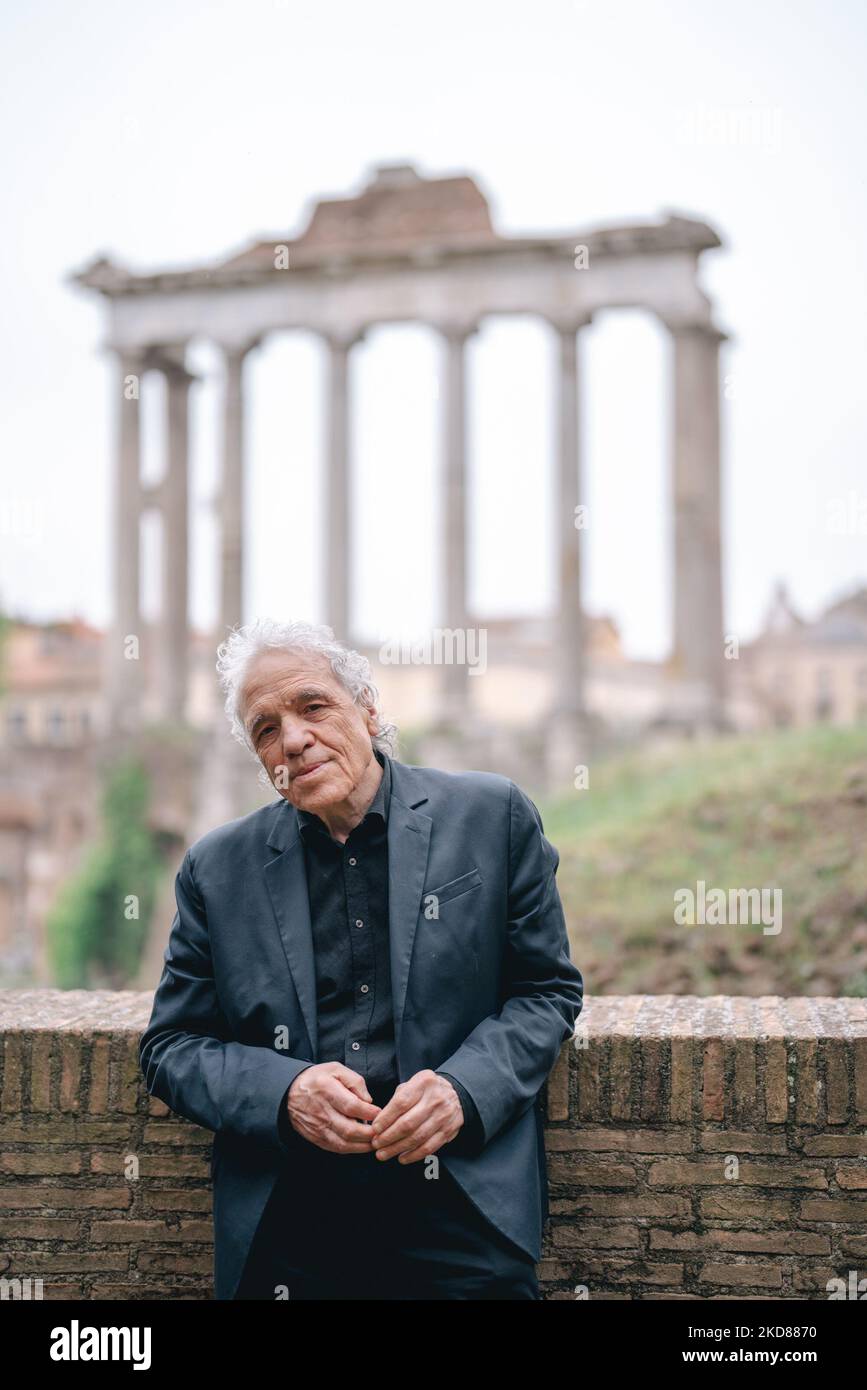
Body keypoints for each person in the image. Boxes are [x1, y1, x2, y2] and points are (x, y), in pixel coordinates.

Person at [139, 618, 584, 1299]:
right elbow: (171, 1046)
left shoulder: (491, 816)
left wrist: (463, 1088)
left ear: (368, 709)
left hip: (461, 1210)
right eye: (265, 729)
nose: (292, 737)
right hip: (290, 1221)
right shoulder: (215, 869)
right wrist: (283, 1093)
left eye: (312, 706)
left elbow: (545, 991)